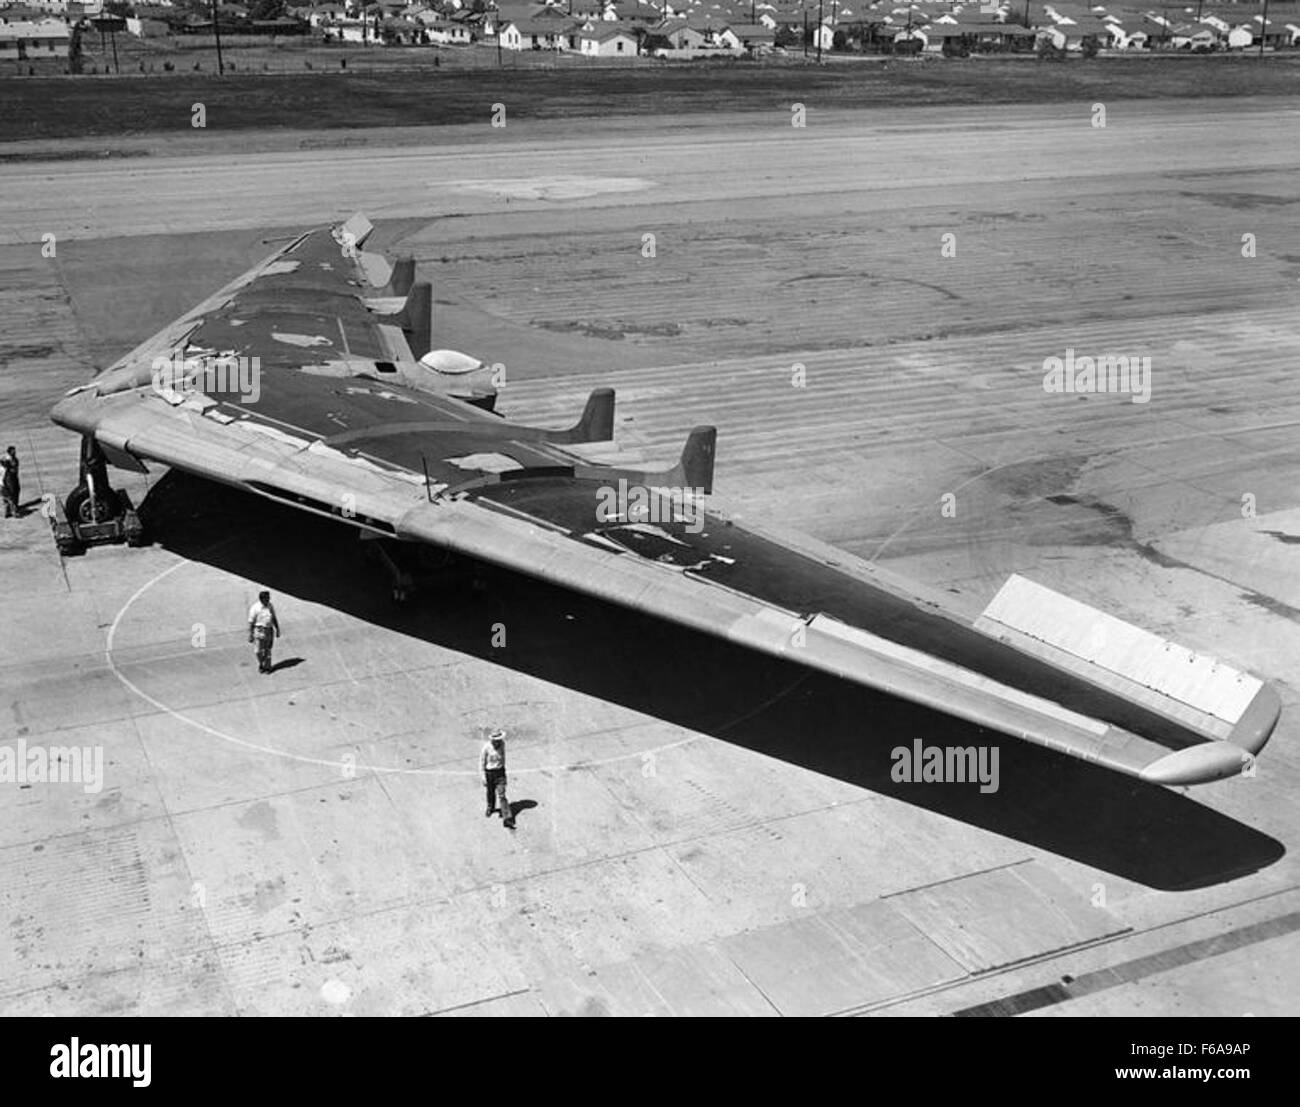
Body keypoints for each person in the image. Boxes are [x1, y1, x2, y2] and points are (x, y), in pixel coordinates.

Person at [480, 728, 514, 829]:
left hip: (500, 772)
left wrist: (503, 769)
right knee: (490, 792)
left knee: (502, 795)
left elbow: (503, 756)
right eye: (496, 740)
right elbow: (482, 762)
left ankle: (507, 818)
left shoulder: (502, 744)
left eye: (499, 739)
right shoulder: (486, 748)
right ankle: (490, 807)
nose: (498, 742)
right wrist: (483, 776)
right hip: (490, 773)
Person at [247, 590, 281, 674]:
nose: (268, 600)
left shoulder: (270, 606)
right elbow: (251, 622)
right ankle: (261, 663)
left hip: (269, 630)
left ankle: (267, 667)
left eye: (268, 598)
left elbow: (273, 617)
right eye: (267, 599)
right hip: (259, 630)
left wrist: (277, 629)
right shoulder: (255, 608)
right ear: (261, 599)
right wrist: (250, 634)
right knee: (258, 651)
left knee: (268, 650)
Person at [1, 446, 19, 518]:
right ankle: (13, 511)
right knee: (11, 496)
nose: (14, 453)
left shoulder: (9, 460)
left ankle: (7, 512)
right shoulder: (7, 463)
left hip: (6, 481)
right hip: (7, 482)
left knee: (7, 498)